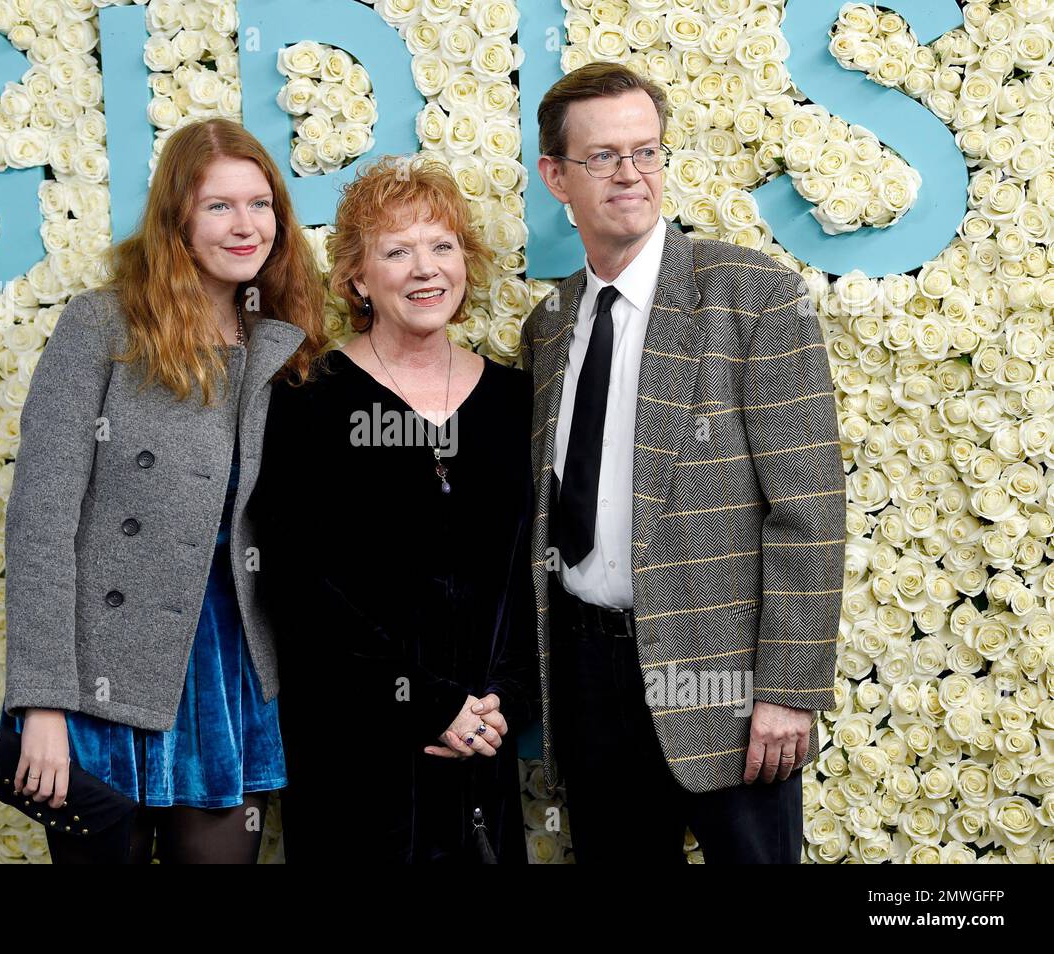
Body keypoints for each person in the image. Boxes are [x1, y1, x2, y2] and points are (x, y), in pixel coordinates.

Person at [521, 62, 846, 863]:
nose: (631, 174)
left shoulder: (753, 294)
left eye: (647, 151)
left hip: (730, 687)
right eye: (603, 157)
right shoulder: (549, 325)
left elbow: (809, 509)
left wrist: (789, 690)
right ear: (555, 175)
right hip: (589, 674)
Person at [0, 117, 326, 863]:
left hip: (229, 668)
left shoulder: (286, 339)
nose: (246, 226)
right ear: (177, 217)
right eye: (219, 206)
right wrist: (42, 705)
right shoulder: (101, 325)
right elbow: (41, 522)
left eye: (260, 203)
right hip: (99, 675)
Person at [251, 154, 536, 863]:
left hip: (481, 749)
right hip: (355, 754)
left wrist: (497, 703)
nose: (425, 269)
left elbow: (532, 573)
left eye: (442, 246)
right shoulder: (306, 399)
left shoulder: (514, 402)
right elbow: (294, 583)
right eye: (397, 251)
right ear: (356, 277)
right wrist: (424, 706)